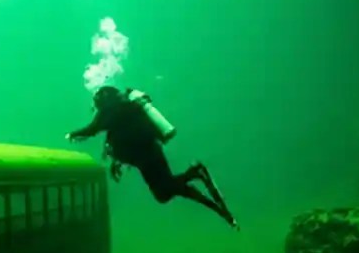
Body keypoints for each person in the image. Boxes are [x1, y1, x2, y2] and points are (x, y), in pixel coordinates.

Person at [66, 85, 238, 229]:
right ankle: (199, 182)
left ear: (102, 100)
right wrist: (116, 160)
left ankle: (196, 173)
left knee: (164, 192)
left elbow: (91, 130)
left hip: (145, 159)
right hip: (151, 153)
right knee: (166, 191)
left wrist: (70, 135)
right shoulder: (126, 107)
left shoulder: (109, 113)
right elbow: (118, 135)